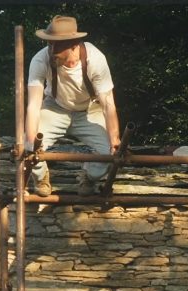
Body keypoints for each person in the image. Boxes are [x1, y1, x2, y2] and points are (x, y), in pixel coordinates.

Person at [24, 15, 121, 197]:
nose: (51, 50)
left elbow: (108, 104)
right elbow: (33, 105)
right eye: (49, 43)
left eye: (57, 45)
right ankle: (41, 176)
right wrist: (30, 142)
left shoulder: (95, 59)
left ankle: (88, 176)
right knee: (27, 145)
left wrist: (115, 141)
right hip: (54, 108)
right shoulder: (40, 59)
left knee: (109, 153)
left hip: (89, 110)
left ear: (74, 44)